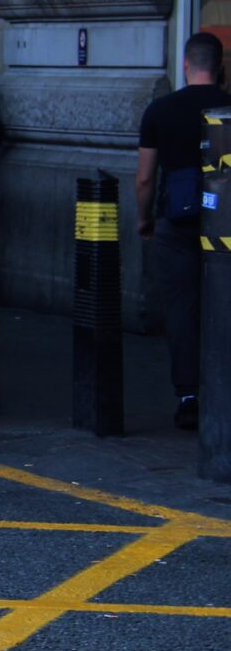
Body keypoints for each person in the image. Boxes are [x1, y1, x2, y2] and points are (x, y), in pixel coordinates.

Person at [136, 31, 228, 432]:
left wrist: (144, 220)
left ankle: (189, 395)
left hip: (176, 221)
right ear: (220, 68)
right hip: (226, 224)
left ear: (186, 65)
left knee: (181, 310)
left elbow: (144, 179)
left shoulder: (160, 110)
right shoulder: (228, 108)